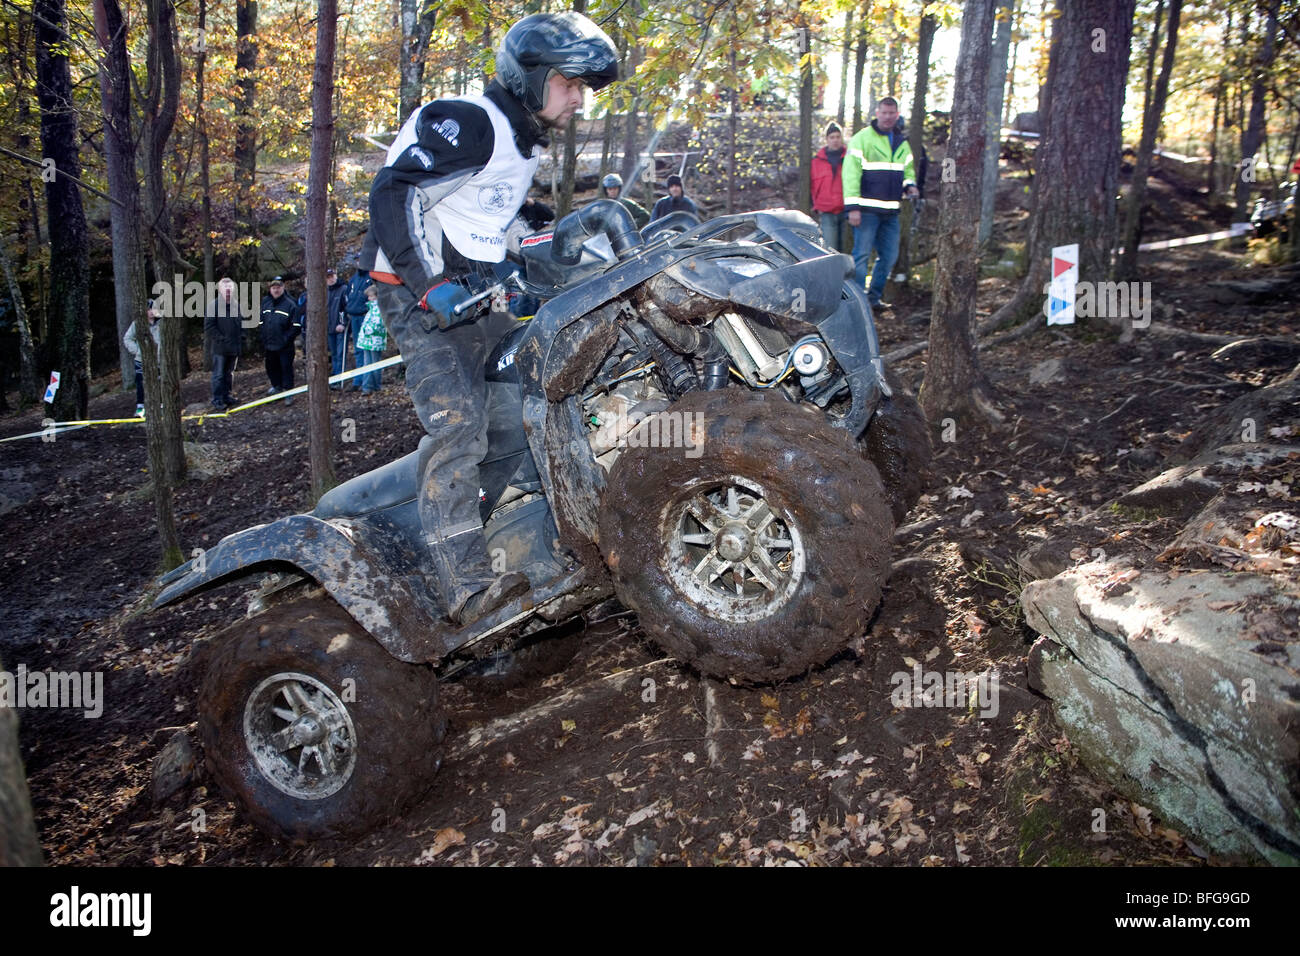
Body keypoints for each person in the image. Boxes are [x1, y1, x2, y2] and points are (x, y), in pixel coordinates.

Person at [358, 11, 619, 626]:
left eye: (584, 87)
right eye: (570, 82)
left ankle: (547, 543)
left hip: (478, 295)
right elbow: (394, 194)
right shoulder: (470, 121)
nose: (580, 98)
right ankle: (467, 591)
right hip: (417, 296)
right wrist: (430, 286)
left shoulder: (522, 141)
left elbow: (492, 223)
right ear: (530, 77)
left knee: (537, 393)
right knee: (459, 430)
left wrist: (566, 249)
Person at [843, 96, 918, 309]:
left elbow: (907, 171)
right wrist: (853, 208)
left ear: (897, 114)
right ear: (877, 113)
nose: (887, 117)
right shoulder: (862, 139)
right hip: (866, 211)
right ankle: (858, 304)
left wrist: (910, 185)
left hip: (891, 212)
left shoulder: (901, 141)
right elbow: (850, 175)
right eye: (883, 112)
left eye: (891, 113)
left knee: (889, 256)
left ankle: (873, 299)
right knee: (861, 256)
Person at [204, 276, 245, 410]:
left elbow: (241, 323)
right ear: (219, 289)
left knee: (229, 374)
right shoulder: (213, 305)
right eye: (225, 288)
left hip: (234, 347)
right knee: (218, 375)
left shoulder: (236, 305)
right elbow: (209, 326)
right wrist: (221, 339)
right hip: (220, 348)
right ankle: (217, 399)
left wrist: (242, 336)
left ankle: (227, 396)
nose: (228, 291)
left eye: (230, 288)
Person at [259, 276, 301, 404]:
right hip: (269, 344)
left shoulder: (291, 303)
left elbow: (296, 326)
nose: (276, 290)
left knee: (286, 368)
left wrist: (286, 338)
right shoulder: (265, 302)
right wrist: (263, 338)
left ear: (283, 288)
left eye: (278, 287)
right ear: (270, 289)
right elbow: (261, 321)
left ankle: (288, 392)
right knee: (271, 367)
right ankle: (277, 387)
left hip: (285, 345)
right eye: (273, 287)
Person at [811, 122, 848, 252]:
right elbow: (812, 186)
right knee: (831, 249)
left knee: (846, 248)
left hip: (847, 209)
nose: (835, 140)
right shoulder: (816, 161)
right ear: (827, 139)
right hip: (826, 210)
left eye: (838, 137)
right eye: (832, 137)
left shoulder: (849, 158)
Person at [123, 300, 163, 417]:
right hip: (142, 360)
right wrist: (138, 351)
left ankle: (161, 405)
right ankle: (140, 407)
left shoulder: (163, 323)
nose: (151, 312)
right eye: (149, 309)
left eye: (153, 309)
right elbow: (127, 338)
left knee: (160, 382)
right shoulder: (138, 324)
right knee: (141, 383)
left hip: (160, 360)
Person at [341, 267, 373, 390]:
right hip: (354, 316)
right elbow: (348, 296)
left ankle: (367, 381)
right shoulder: (354, 278)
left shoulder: (371, 277)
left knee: (367, 349)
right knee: (358, 349)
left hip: (366, 316)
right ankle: (358, 379)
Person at [355, 285, 387, 395]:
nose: (369, 298)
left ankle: (371, 386)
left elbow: (378, 323)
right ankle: (368, 386)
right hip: (367, 341)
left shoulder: (379, 309)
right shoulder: (372, 309)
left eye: (371, 296)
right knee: (367, 364)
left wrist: (367, 331)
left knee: (373, 364)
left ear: (377, 296)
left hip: (374, 341)